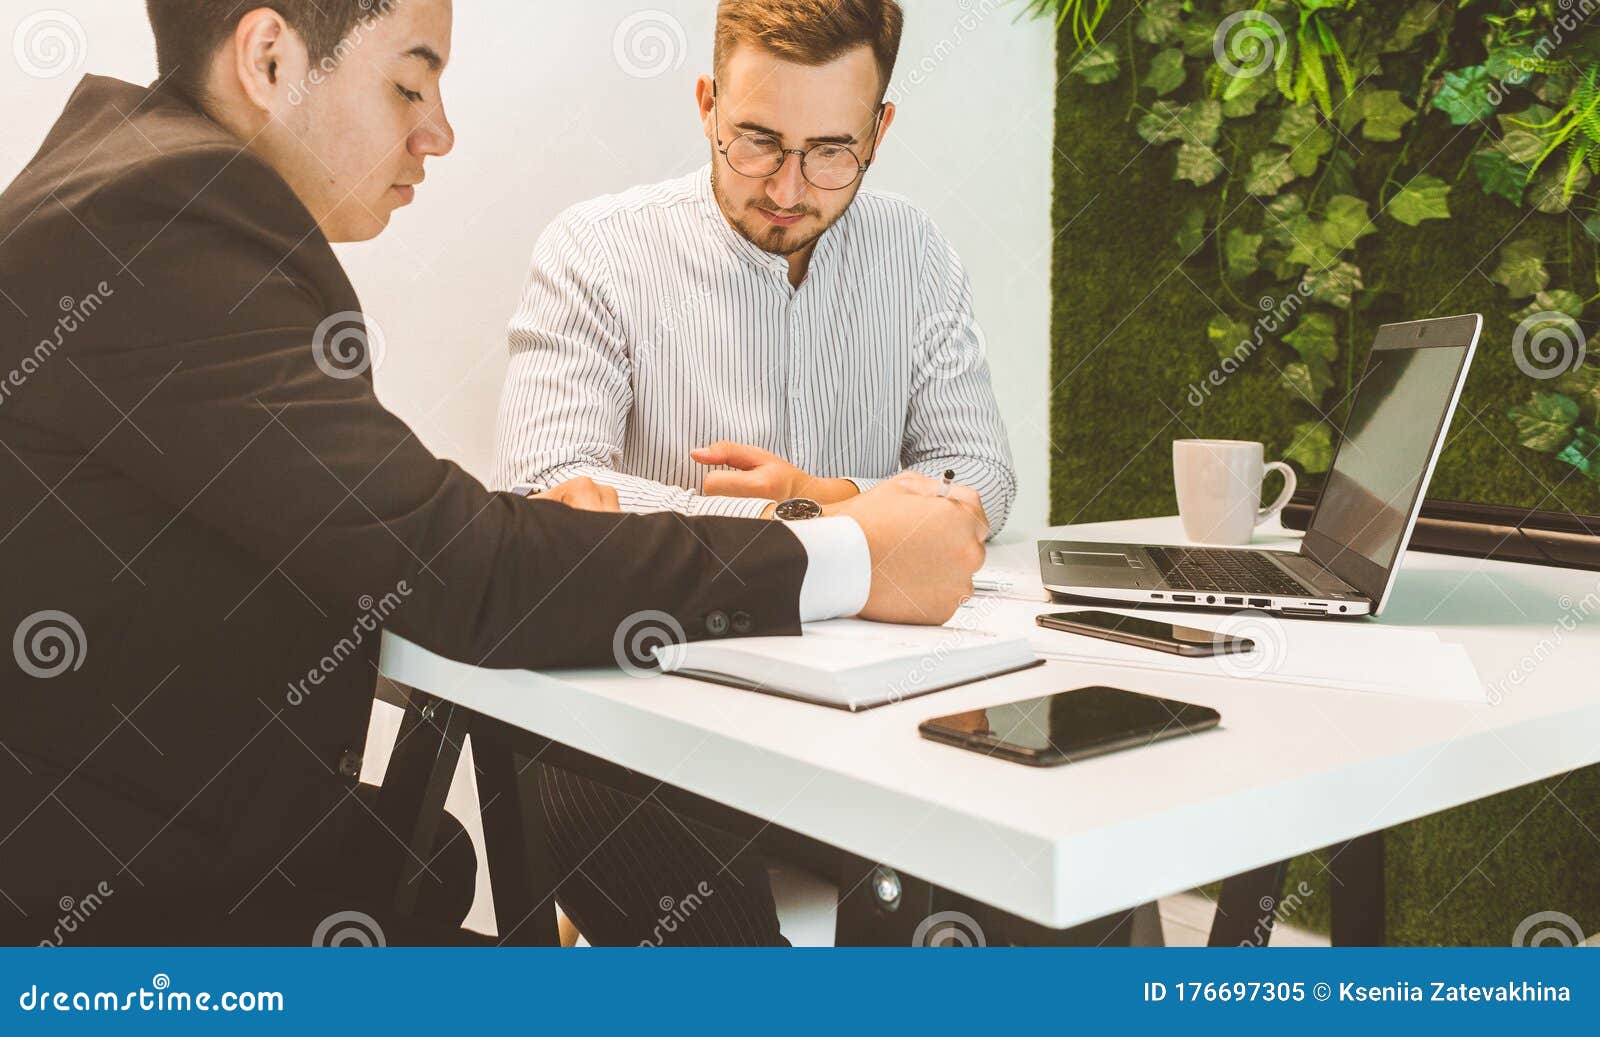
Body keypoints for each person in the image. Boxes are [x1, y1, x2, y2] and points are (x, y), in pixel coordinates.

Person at [0, 0, 988, 946]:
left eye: (830, 149)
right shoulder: (163, 233)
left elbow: (421, 535)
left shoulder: (132, 191)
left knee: (436, 856)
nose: (439, 132)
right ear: (269, 63)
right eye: (409, 85)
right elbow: (466, 556)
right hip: (112, 927)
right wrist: (843, 546)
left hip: (190, 824)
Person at [491, 0, 1016, 535]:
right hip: (675, 615)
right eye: (759, 141)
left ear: (878, 133)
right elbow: (547, 484)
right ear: (707, 106)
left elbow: (982, 474)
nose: (786, 191)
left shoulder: (913, 251)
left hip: (877, 618)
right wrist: (793, 517)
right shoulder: (594, 250)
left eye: (830, 150)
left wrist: (821, 495)